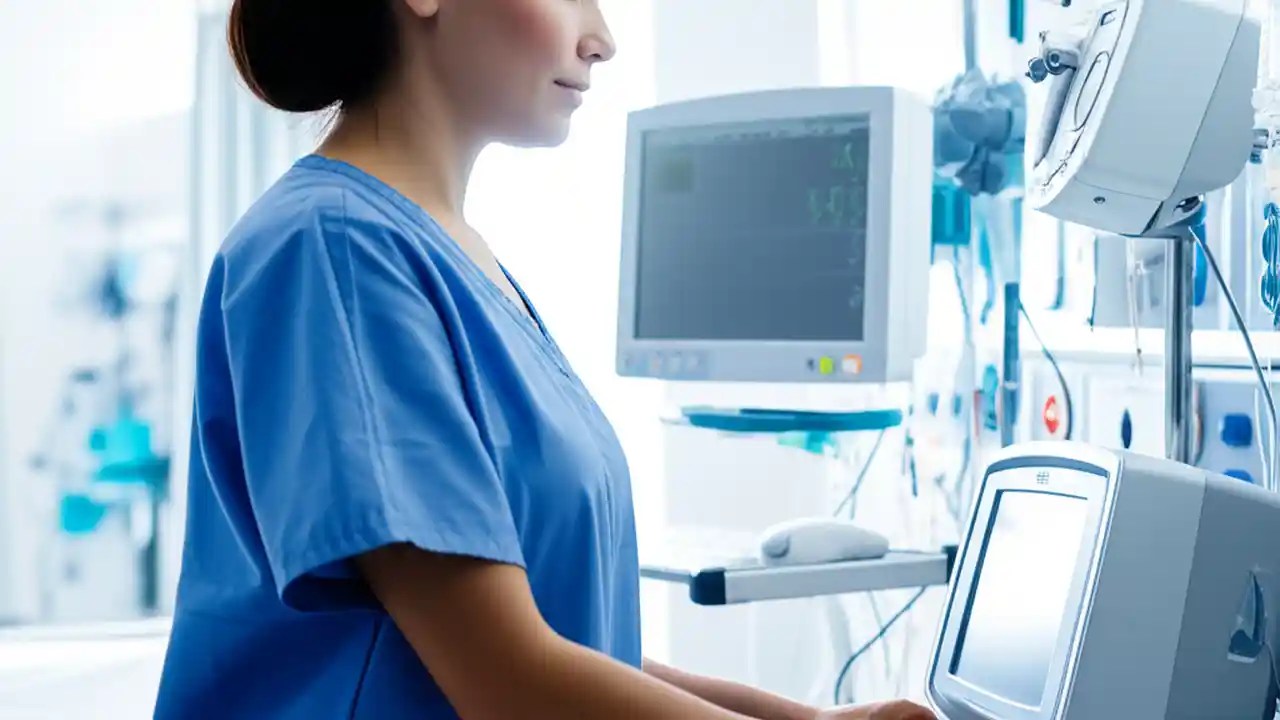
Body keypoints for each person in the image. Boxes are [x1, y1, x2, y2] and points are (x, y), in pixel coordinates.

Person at [153, 1, 938, 718]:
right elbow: (508, 679)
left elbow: (576, 649)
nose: (601, 39)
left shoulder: (444, 254)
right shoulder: (333, 248)